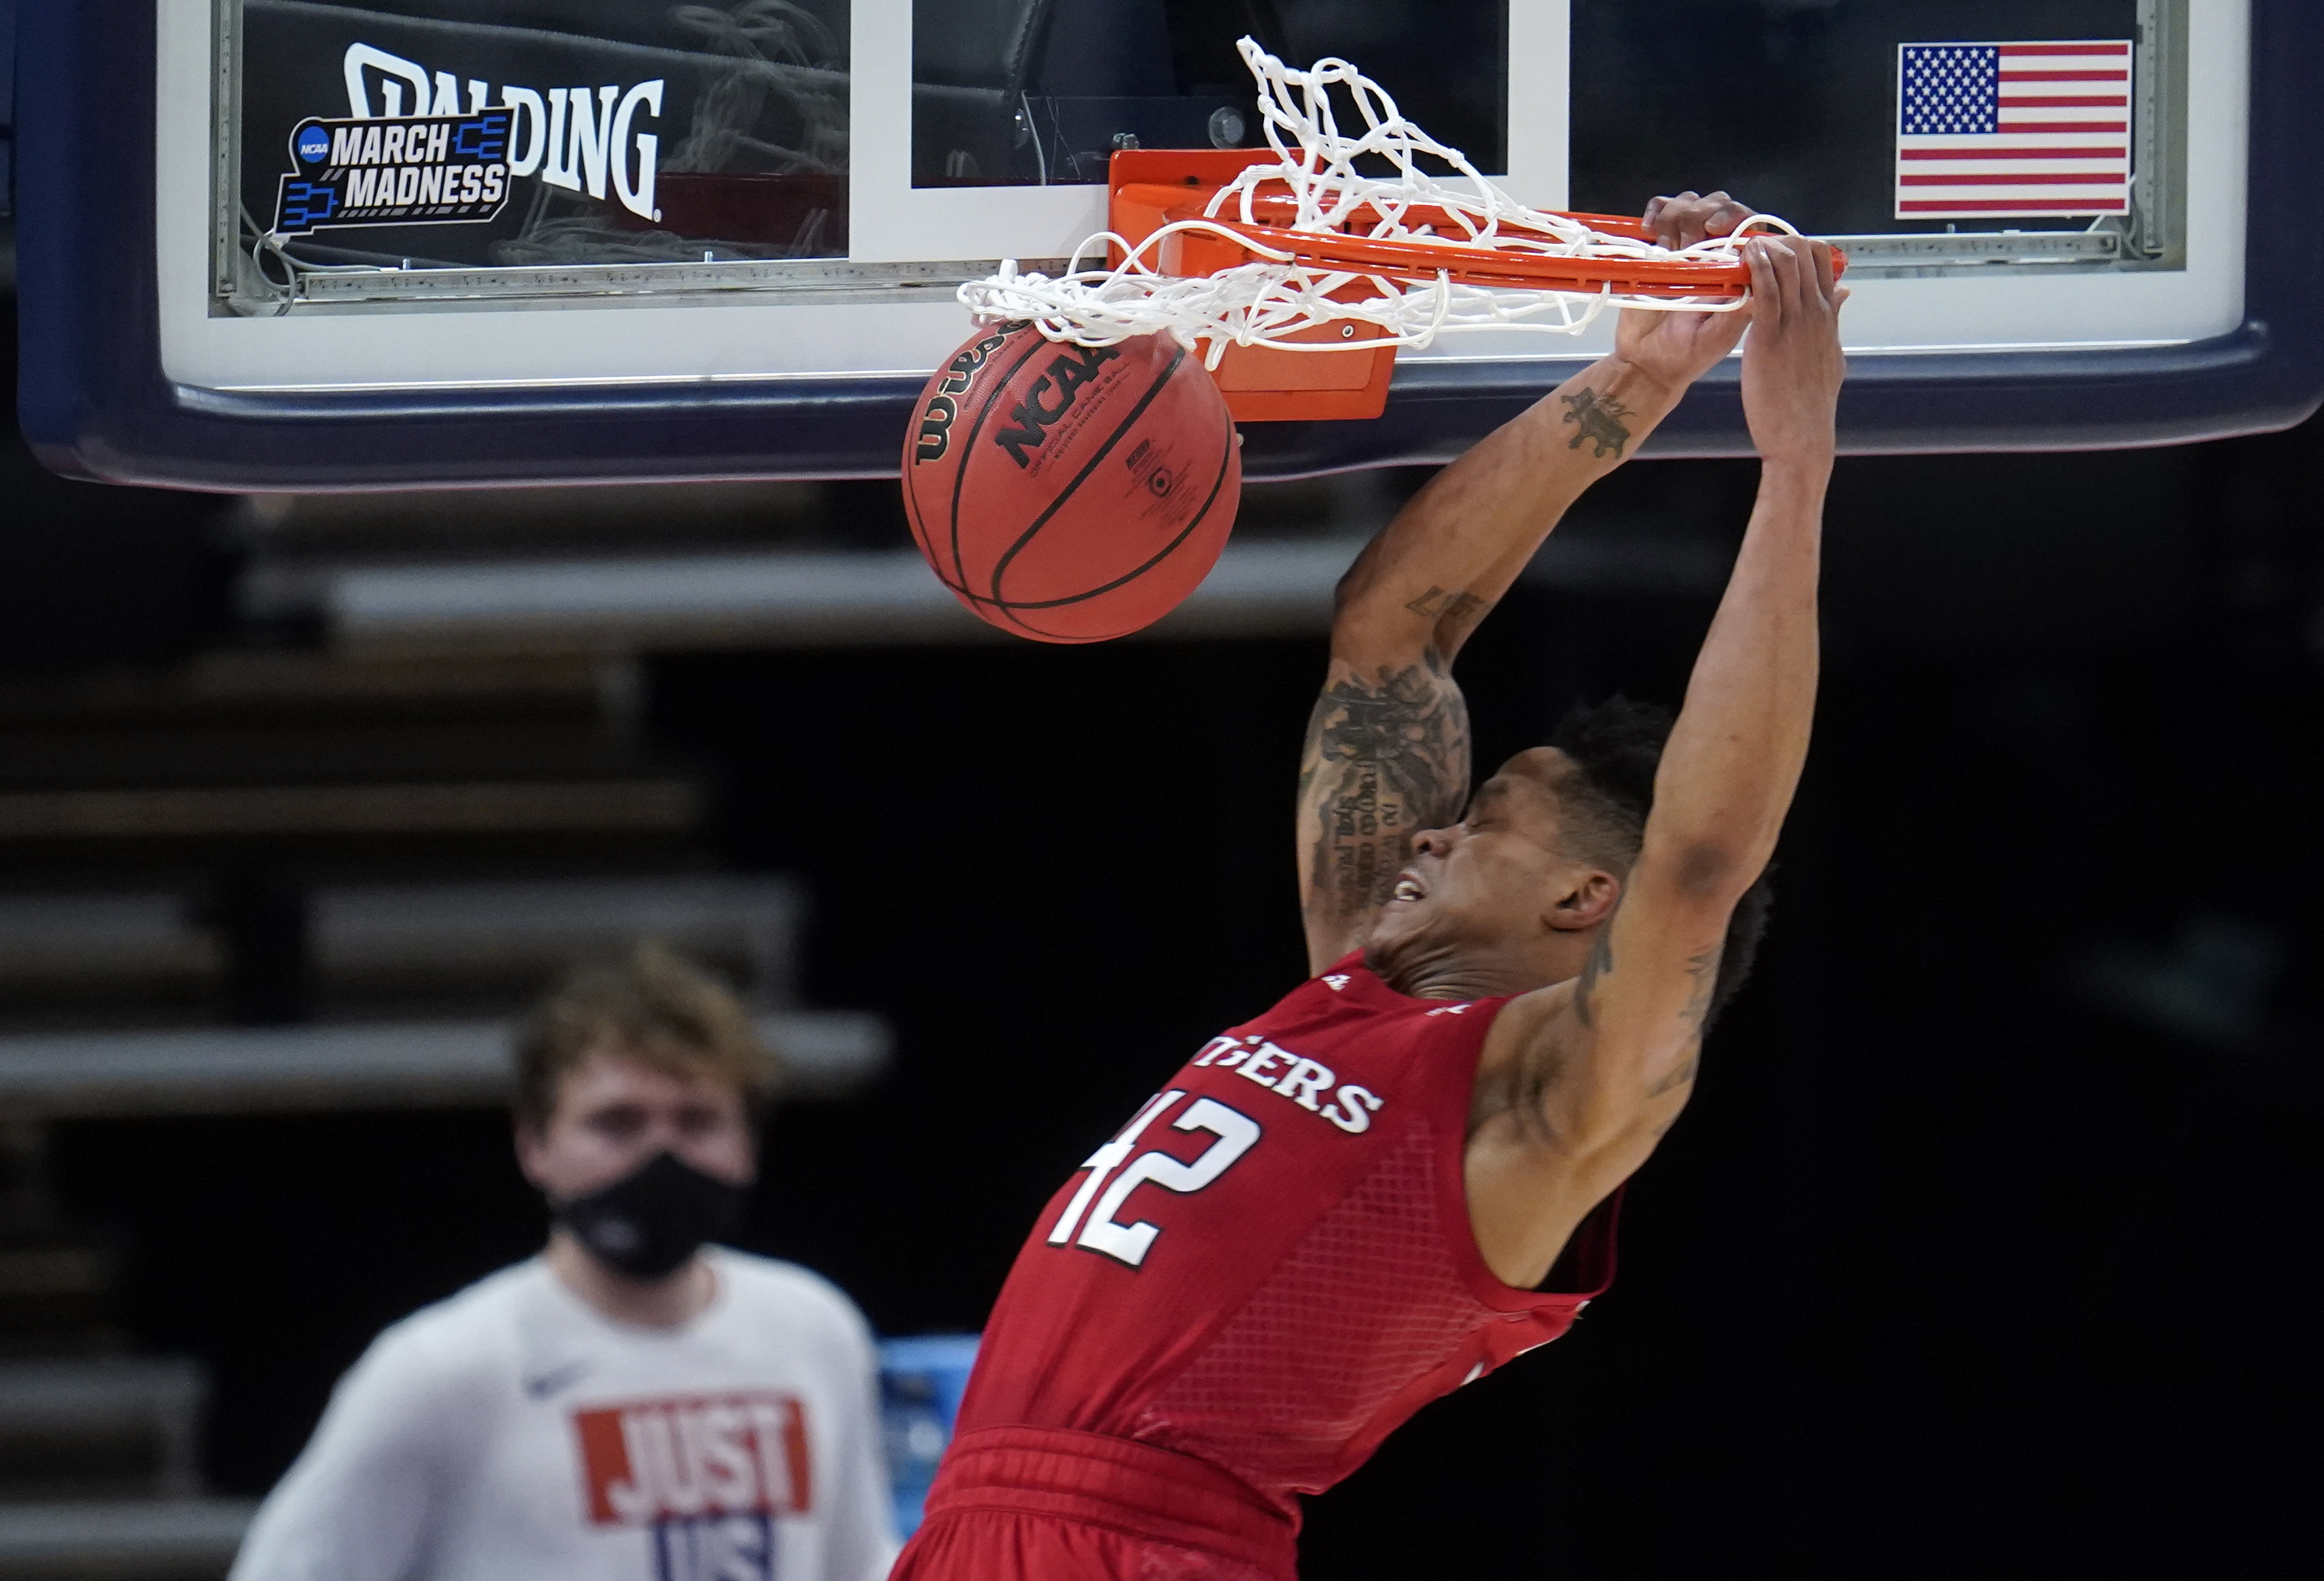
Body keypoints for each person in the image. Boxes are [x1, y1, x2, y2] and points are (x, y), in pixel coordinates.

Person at [892, 194, 1848, 1581]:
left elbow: (1700, 862)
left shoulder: (1547, 1100)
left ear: (1589, 899)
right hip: (982, 1528)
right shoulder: (1358, 983)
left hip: (1146, 1545)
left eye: (1479, 821)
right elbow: (1397, 633)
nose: (1423, 835)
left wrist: (1796, 460)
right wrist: (1636, 376)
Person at [230, 942, 898, 1581]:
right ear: (535, 1144)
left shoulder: (813, 1327)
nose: (661, 1156)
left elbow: (862, 1562)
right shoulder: (447, 1369)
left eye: (696, 1121)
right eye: (618, 1122)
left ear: (747, 1143)